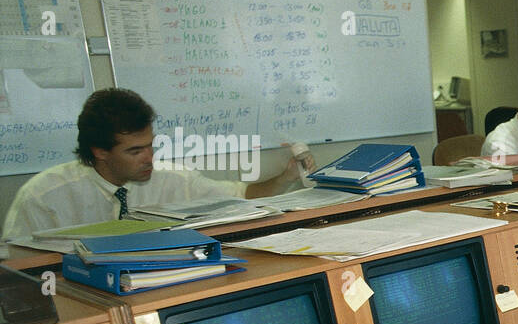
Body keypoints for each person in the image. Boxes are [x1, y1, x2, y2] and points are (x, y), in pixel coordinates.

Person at [2, 88, 299, 237]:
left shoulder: (173, 178)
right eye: (135, 151)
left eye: (150, 146)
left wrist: (285, 178)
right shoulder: (44, 196)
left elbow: (239, 198)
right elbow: (19, 273)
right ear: (100, 152)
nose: (150, 159)